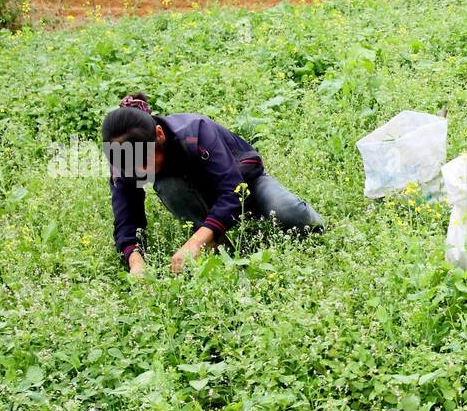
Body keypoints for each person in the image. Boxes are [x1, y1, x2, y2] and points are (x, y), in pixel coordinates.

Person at [101, 93, 324, 276]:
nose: (140, 172)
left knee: (292, 214)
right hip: (200, 200)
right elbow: (126, 221)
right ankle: (218, 243)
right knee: (169, 186)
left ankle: (210, 235)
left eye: (145, 162)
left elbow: (233, 190)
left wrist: (195, 242)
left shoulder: (195, 131)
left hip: (245, 184)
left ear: (159, 135)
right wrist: (135, 261)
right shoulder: (124, 160)